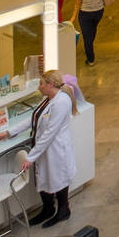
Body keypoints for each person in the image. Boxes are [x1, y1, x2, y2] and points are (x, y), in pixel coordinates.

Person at [20, 70, 78, 228]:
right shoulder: (47, 100)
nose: (39, 87)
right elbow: (34, 117)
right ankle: (48, 209)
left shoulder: (61, 102)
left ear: (51, 84)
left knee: (58, 179)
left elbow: (50, 133)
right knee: (46, 178)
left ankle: (63, 210)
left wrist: (31, 157)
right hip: (46, 149)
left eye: (41, 83)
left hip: (56, 149)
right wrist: (7, 133)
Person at [71, 0, 106, 66]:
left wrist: (73, 17)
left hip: (85, 14)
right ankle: (90, 46)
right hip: (99, 11)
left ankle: (91, 60)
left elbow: (78, 3)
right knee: (93, 30)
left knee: (87, 37)